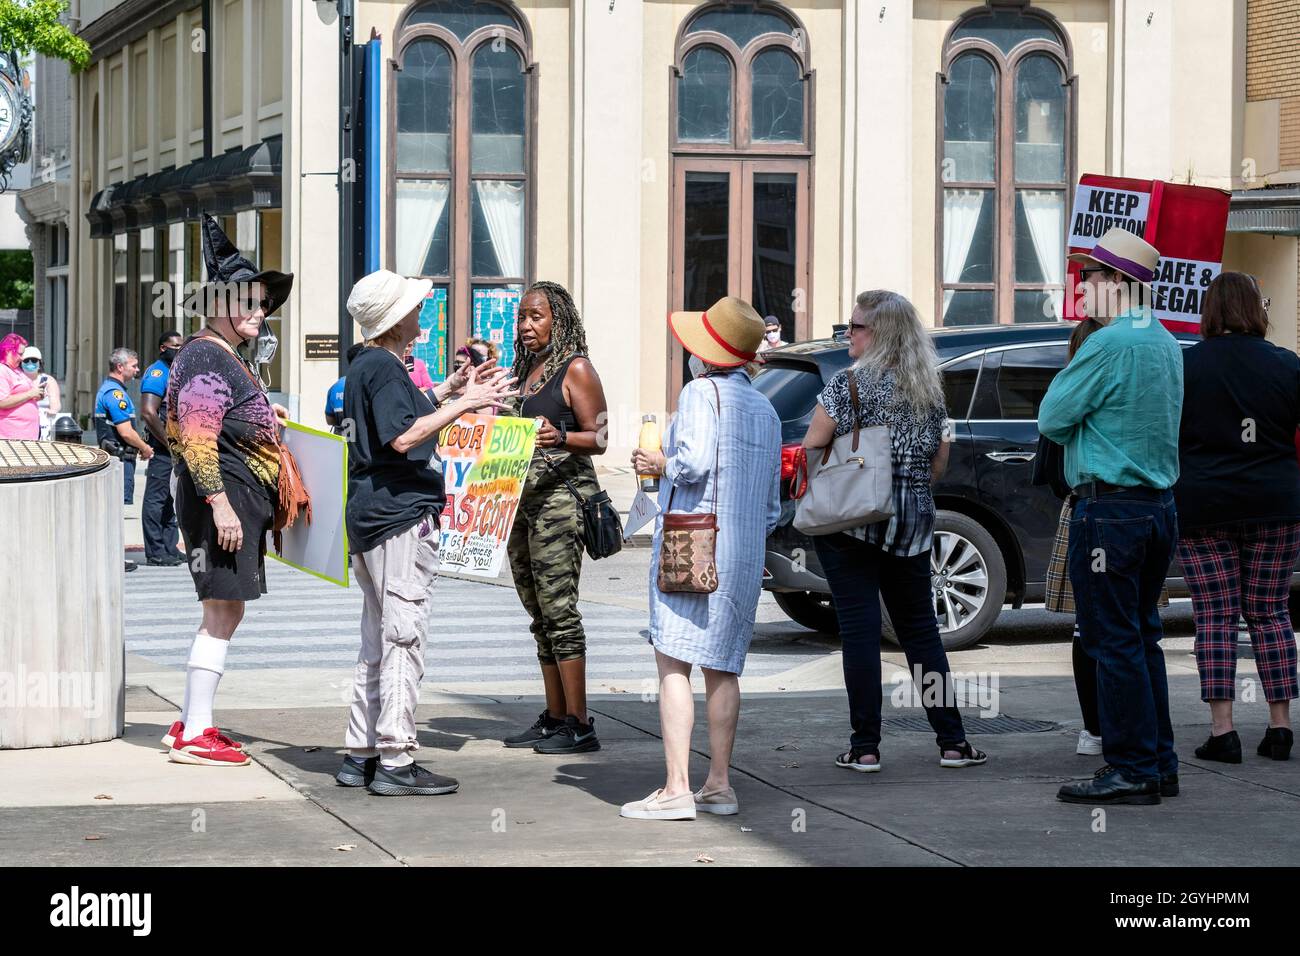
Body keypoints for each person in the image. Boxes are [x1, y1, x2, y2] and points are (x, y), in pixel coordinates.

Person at [336, 269, 517, 796]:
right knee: (402, 635)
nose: (421, 315)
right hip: (397, 514)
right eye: (414, 307)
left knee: (378, 634)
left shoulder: (370, 365)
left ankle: (362, 751)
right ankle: (395, 757)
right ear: (395, 319)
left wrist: (448, 390)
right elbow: (400, 436)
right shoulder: (387, 369)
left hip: (371, 513)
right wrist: (462, 405)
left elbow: (394, 418)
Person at [801, 290, 988, 775]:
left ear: (880, 333)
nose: (847, 334)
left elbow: (812, 447)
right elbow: (938, 465)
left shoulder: (848, 387)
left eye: (855, 327)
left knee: (860, 632)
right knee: (921, 634)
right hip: (911, 521)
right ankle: (952, 742)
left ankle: (864, 747)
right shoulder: (929, 388)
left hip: (851, 521)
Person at [618, 297, 780, 821]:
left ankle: (676, 787)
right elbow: (773, 504)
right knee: (724, 667)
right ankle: (719, 785)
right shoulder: (766, 407)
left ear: (705, 353)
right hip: (744, 553)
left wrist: (656, 460)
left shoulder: (698, 392)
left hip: (692, 543)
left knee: (672, 661)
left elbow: (690, 463)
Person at [1039, 227, 1183, 806]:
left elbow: (1051, 417)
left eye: (1091, 277)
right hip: (1156, 509)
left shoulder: (1109, 343)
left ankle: (1131, 768)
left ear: (1119, 283)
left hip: (1110, 511)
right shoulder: (1165, 340)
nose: (1083, 286)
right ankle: (1158, 762)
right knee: (1142, 638)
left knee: (1114, 643)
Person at [161, 213, 294, 767]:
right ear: (220, 303)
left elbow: (217, 420)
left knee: (223, 609)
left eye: (265, 304)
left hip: (229, 499)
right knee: (223, 609)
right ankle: (196, 732)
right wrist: (221, 506)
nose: (262, 313)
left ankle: (191, 722)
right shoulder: (207, 355)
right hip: (224, 501)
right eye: (253, 303)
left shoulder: (214, 354)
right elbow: (196, 437)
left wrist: (264, 412)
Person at [1174, 272, 1300, 763]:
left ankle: (1223, 731)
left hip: (1204, 506)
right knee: (1271, 613)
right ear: (1257, 310)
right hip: (1276, 503)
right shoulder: (1287, 365)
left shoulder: (1187, 367)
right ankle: (1279, 726)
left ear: (1210, 313)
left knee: (1216, 617)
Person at [502, 281, 610, 754]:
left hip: (561, 504)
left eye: (536, 317)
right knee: (538, 612)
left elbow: (602, 436)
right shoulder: (524, 370)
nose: (526, 326)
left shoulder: (576, 369)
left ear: (558, 319)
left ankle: (580, 724)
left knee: (560, 610)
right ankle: (554, 715)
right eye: (522, 317)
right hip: (520, 504)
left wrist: (561, 438)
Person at [138, 332, 184, 567]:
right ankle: (155, 551)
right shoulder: (158, 372)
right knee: (156, 500)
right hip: (163, 448)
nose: (180, 349)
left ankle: (169, 546)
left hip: (175, 448)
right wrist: (169, 443)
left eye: (182, 345)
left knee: (170, 499)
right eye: (175, 346)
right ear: (163, 348)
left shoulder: (175, 371)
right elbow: (148, 411)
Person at [94, 348, 153, 505]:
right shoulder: (115, 394)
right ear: (120, 367)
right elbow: (126, 432)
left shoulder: (110, 389)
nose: (137, 370)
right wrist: (145, 448)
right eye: (133, 366)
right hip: (119, 462)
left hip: (118, 461)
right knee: (117, 510)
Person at [0, 333, 43, 440]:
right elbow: (2, 402)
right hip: (11, 436)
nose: (22, 357)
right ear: (8, 351)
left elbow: (22, 396)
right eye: (20, 354)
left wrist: (36, 395)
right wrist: (30, 394)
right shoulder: (2, 370)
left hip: (27, 435)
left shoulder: (17, 370)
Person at [20, 346, 61, 439]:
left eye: (34, 360)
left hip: (44, 425)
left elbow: (56, 403)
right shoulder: (17, 380)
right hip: (22, 424)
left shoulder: (48, 380)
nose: (30, 363)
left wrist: (53, 410)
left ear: (40, 363)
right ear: (21, 363)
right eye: (26, 361)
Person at [325, 343, 365, 433]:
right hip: (361, 442)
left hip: (341, 440)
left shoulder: (334, 387)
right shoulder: (367, 385)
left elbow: (329, 420)